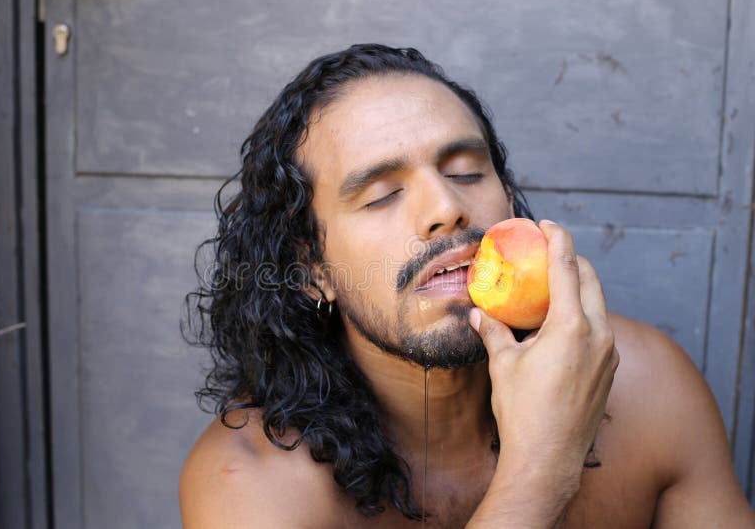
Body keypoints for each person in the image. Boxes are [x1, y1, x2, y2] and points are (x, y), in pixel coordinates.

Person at [179, 44, 755, 528]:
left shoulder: (651, 388)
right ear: (312, 269)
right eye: (382, 194)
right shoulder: (249, 486)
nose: (446, 207)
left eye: (466, 171)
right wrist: (542, 470)